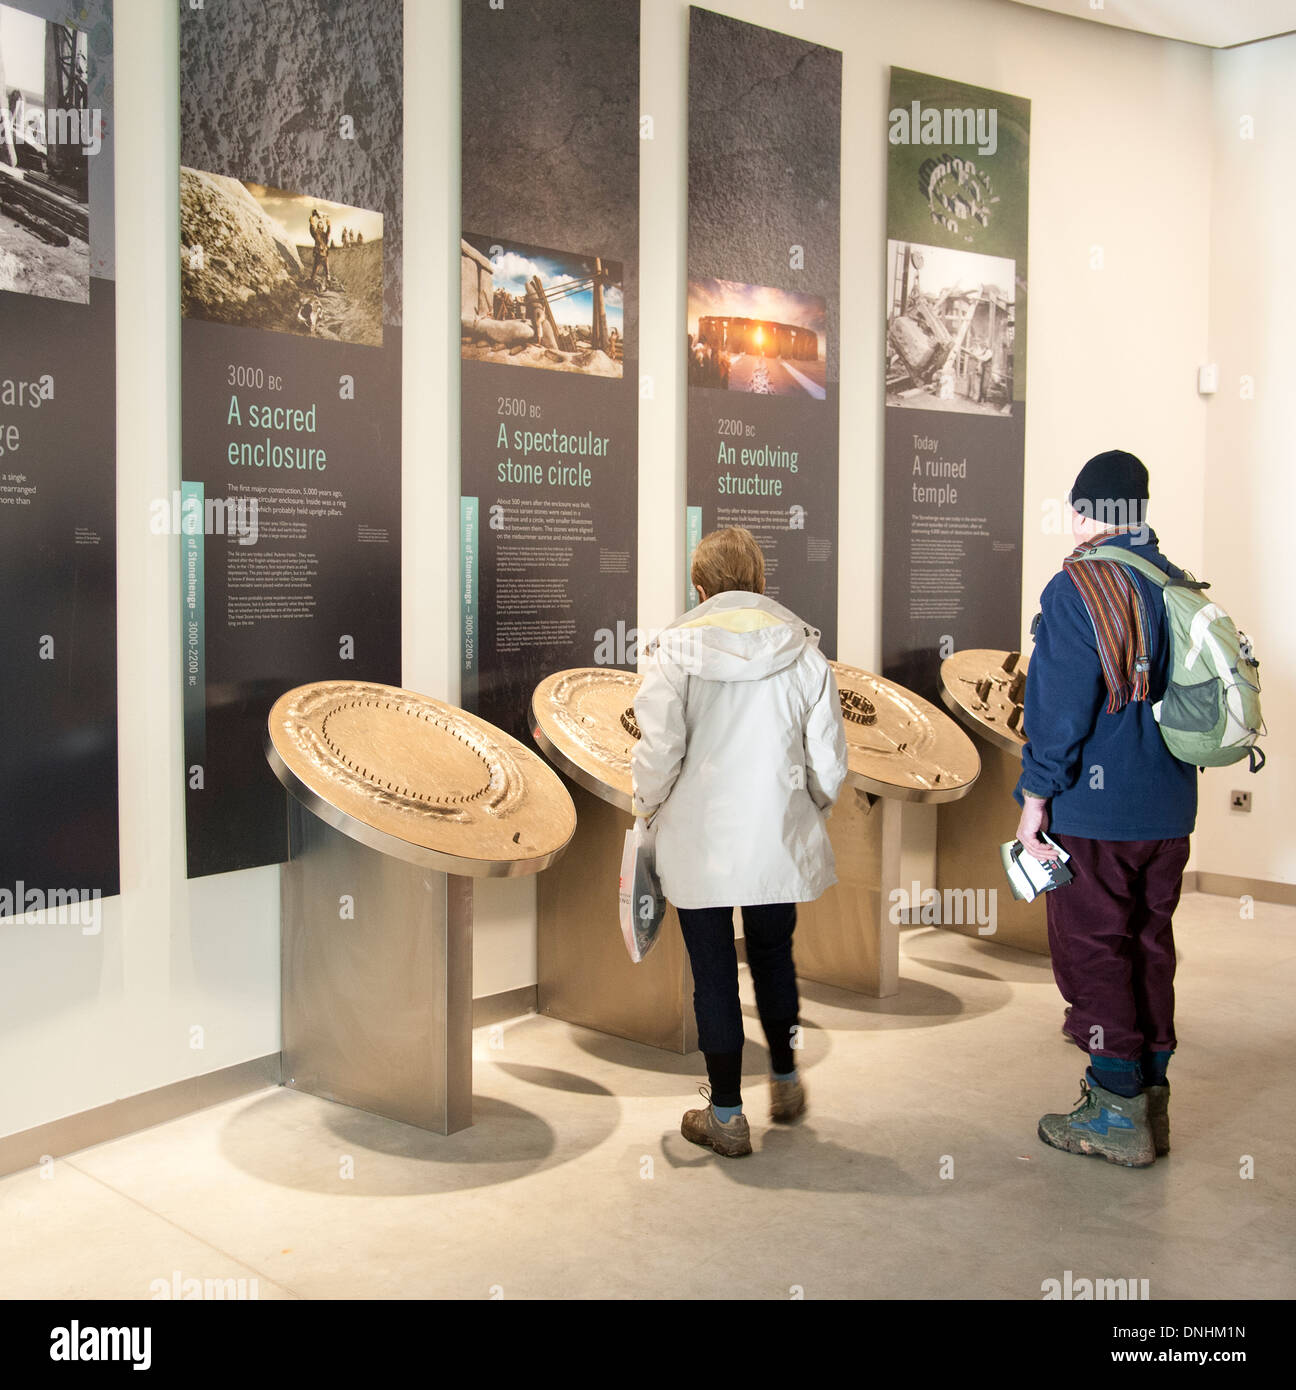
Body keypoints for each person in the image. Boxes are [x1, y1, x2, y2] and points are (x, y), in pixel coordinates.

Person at [632, 527, 848, 1158]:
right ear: (760, 583)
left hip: (699, 841)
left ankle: (726, 1115)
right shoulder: (805, 653)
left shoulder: (671, 652)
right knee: (775, 956)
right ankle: (784, 1079)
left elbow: (659, 752)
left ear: (698, 589)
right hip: (775, 838)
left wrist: (646, 806)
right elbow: (829, 764)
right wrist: (807, 807)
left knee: (713, 972)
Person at [1015, 450, 1197, 1168]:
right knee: (1148, 946)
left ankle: (1114, 1110)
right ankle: (1152, 1096)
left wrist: (1035, 799)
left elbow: (1057, 715)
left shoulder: (1078, 589)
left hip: (1096, 815)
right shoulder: (1176, 584)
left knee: (1092, 952)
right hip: (1168, 810)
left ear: (1083, 508)